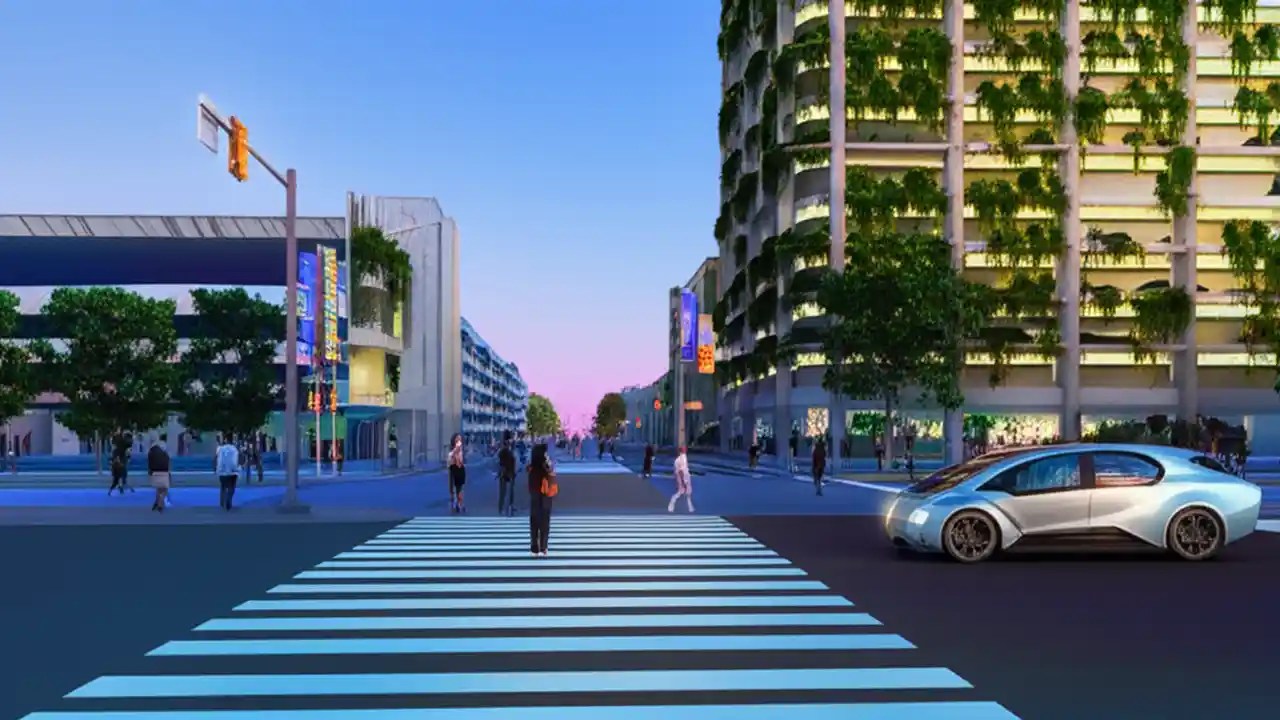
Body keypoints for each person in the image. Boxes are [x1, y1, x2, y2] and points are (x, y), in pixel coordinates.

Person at [527, 443, 556, 556]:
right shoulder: (546, 465)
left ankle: (534, 547)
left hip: (535, 496)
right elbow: (552, 475)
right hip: (545, 496)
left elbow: (530, 484)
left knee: (534, 522)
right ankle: (544, 547)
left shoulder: (532, 467)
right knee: (545, 521)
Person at [215, 435, 239, 510]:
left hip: (222, 471)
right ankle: (229, 499)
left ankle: (222, 502)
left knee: (223, 487)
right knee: (232, 487)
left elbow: (217, 459)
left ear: (225, 440)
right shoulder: (234, 449)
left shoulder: (220, 449)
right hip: (232, 471)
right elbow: (235, 460)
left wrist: (217, 469)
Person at [147, 436, 171, 513]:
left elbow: (150, 463)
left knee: (158, 488)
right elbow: (167, 462)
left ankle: (156, 503)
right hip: (164, 471)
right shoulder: (164, 453)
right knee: (165, 489)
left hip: (155, 472)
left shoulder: (151, 453)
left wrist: (150, 471)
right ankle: (160, 502)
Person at [668, 446, 694, 513]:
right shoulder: (682, 458)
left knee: (686, 492)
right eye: (684, 450)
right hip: (682, 476)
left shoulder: (679, 459)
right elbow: (682, 470)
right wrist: (684, 480)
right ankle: (672, 503)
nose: (684, 451)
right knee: (682, 491)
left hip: (681, 475)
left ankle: (690, 506)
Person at [498, 436, 517, 516]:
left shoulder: (510, 452)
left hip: (510, 473)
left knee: (509, 491)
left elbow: (513, 462)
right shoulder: (504, 452)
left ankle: (509, 506)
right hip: (506, 473)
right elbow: (502, 463)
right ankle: (502, 508)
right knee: (504, 492)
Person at [447, 433, 466, 513]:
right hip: (453, 469)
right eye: (457, 439)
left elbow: (462, 460)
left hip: (460, 469)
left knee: (460, 488)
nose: (459, 441)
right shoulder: (452, 450)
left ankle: (459, 504)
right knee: (453, 487)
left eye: (460, 439)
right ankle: (454, 503)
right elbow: (449, 460)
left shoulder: (461, 450)